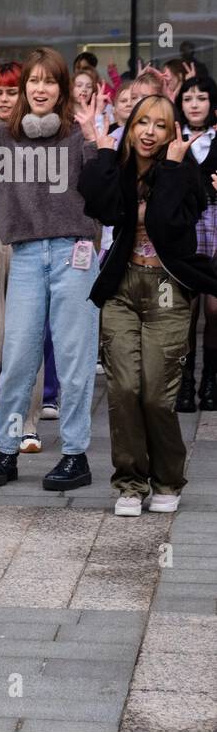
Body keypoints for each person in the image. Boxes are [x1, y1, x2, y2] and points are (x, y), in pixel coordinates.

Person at [0, 47, 102, 492]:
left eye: (49, 81)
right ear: (24, 89)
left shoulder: (77, 135)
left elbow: (103, 193)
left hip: (73, 253)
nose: (40, 89)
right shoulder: (2, 137)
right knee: (18, 356)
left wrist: (94, 135)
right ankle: (8, 449)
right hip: (24, 256)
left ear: (61, 90)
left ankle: (75, 455)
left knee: (76, 359)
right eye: (33, 82)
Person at [79, 95, 217, 516]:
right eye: (141, 122)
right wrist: (102, 148)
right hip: (122, 287)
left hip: (166, 289)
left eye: (159, 124)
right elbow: (99, 207)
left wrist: (174, 167)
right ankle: (130, 484)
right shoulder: (117, 169)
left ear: (171, 132)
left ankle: (168, 478)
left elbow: (166, 226)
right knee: (123, 389)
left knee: (157, 395)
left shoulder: (185, 173)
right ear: (130, 125)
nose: (149, 132)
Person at [174, 74, 217, 412]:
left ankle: (210, 380)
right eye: (188, 98)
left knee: (215, 310)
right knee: (186, 310)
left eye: (201, 98)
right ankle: (185, 382)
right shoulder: (173, 140)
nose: (194, 104)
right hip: (186, 229)